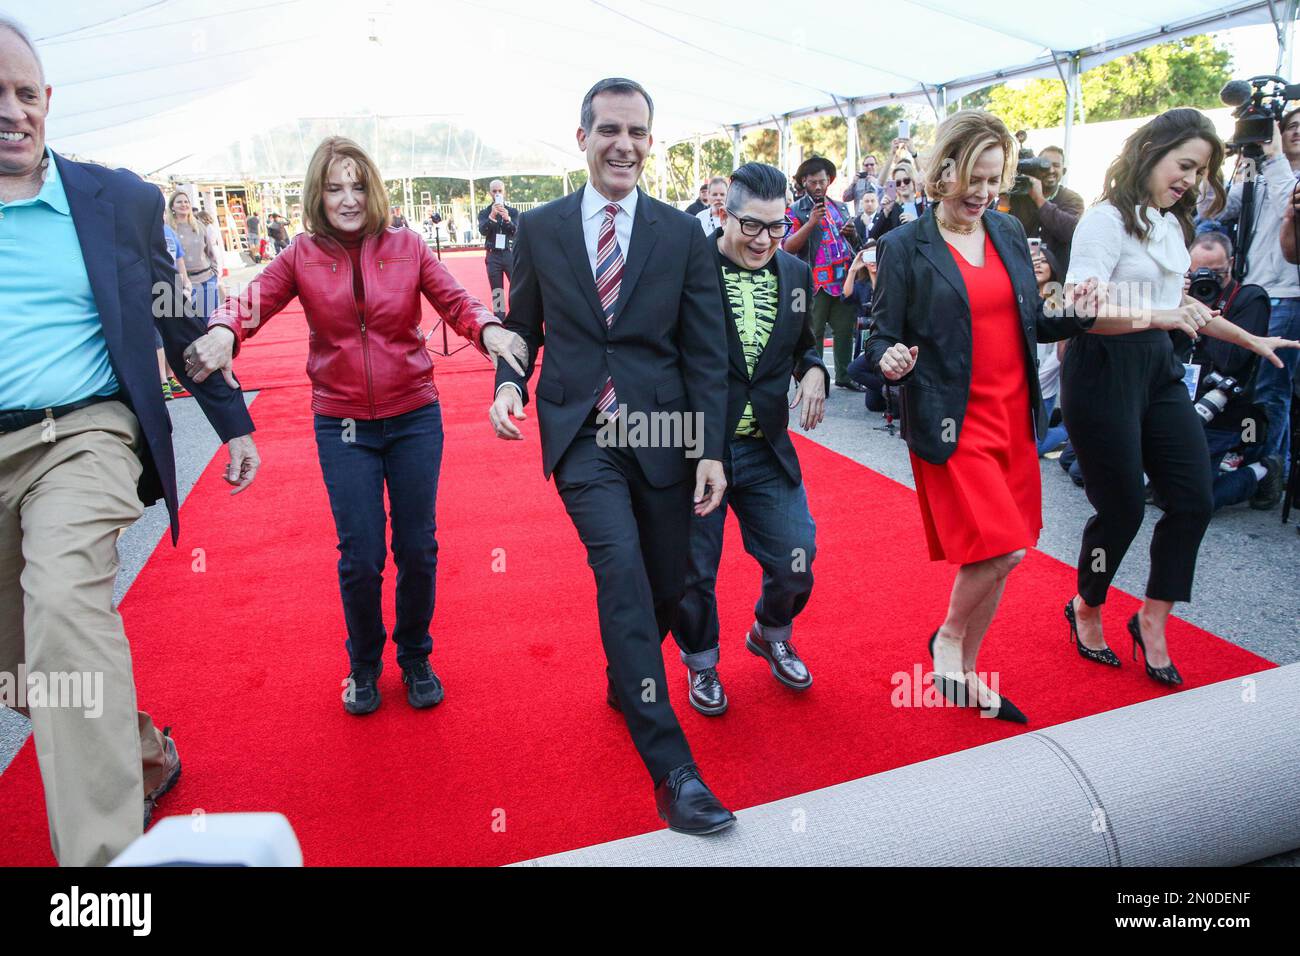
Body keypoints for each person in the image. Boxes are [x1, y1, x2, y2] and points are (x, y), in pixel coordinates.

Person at [0, 16, 259, 866]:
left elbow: (174, 312)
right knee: (21, 668)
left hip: (82, 435)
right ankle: (142, 748)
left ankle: (106, 874)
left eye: (25, 93)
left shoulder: (114, 201)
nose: (12, 111)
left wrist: (232, 420)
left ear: (48, 103)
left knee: (68, 621)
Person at [188, 136, 524, 717]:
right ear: (318, 194)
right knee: (361, 554)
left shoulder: (409, 246)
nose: (347, 198)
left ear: (374, 189)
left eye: (357, 185)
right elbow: (251, 300)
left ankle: (415, 654)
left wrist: (490, 331)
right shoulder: (301, 254)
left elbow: (457, 302)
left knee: (418, 547)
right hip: (342, 424)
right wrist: (224, 332)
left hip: (415, 416)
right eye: (334, 187)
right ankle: (364, 662)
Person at [487, 77, 735, 835]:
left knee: (673, 582)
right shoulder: (542, 227)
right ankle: (674, 773)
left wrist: (709, 450)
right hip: (583, 432)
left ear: (650, 142)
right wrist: (507, 383)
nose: (623, 144)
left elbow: (706, 351)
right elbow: (521, 323)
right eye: (609, 130)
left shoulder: (680, 233)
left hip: (662, 434)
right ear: (583, 137)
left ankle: (624, 673)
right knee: (621, 573)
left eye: (637, 132)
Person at [863, 109, 1102, 724]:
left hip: (1016, 416)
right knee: (1002, 548)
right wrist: (889, 359)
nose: (986, 193)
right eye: (975, 177)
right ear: (944, 170)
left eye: (996, 180)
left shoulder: (1007, 232)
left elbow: (1031, 322)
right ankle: (945, 639)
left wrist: (1077, 312)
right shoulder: (902, 246)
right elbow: (878, 336)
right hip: (953, 420)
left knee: (1006, 552)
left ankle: (968, 674)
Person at [1059, 108, 1298, 685]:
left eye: (1201, 171)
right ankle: (1087, 604)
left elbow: (1186, 312)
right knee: (1122, 510)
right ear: (1150, 151)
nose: (1191, 179)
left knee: (1194, 499)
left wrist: (1248, 336)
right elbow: (1082, 312)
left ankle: (1153, 617)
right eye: (1184, 164)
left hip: (1157, 370)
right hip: (1101, 372)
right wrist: (1160, 314)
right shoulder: (1104, 220)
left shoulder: (1171, 225)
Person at [673, 162, 827, 715]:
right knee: (694, 570)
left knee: (797, 557)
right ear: (723, 213)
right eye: (751, 225)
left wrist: (815, 369)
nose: (764, 239)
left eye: (776, 225)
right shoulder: (688, 270)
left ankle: (770, 630)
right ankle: (702, 664)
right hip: (695, 451)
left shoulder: (795, 272)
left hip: (765, 448)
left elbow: (805, 343)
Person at [1221, 112, 1300, 479]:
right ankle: (1259, 461)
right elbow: (1222, 207)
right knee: (1247, 381)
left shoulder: (1285, 175)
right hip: (1251, 288)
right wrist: (1220, 168)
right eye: (1291, 125)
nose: (1296, 131)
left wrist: (1275, 157)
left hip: (1288, 292)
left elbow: (1291, 206)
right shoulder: (1262, 172)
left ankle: (1266, 470)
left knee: (1273, 385)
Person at [1181, 231, 1282, 510]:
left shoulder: (1250, 298)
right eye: (1198, 272)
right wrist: (1181, 297)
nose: (1207, 280)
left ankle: (1260, 472)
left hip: (1221, 413)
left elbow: (1231, 359)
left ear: (1233, 263)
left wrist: (1204, 310)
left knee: (1191, 503)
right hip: (1179, 404)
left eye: (1215, 272)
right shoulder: (1181, 297)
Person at [782, 155, 861, 391]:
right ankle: (815, 381)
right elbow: (787, 247)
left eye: (822, 181)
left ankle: (845, 377)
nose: (818, 186)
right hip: (815, 283)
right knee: (813, 334)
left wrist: (852, 233)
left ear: (829, 182)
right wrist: (810, 223)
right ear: (804, 182)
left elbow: (856, 243)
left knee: (845, 331)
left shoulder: (840, 207)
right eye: (813, 181)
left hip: (843, 280)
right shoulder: (796, 210)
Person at [1007, 145, 1085, 271]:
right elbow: (1003, 229)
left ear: (1063, 171)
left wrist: (1039, 199)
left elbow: (1072, 231)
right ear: (1036, 169)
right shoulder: (1020, 196)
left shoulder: (1072, 199)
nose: (1051, 170)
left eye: (1056, 165)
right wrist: (1005, 198)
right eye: (1045, 165)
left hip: (1056, 277)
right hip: (1021, 271)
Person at [1032, 245, 1069, 455]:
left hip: (1042, 386)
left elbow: (1057, 357)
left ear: (1053, 268)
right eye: (1034, 262)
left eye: (1043, 262)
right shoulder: (1020, 294)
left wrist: (1039, 384)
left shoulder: (1058, 301)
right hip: (1018, 383)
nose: (1038, 266)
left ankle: (1067, 430)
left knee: (1033, 447)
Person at [168, 190, 220, 320]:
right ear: (172, 206)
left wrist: (215, 271)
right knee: (193, 323)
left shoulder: (199, 225)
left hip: (207, 279)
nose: (183, 204)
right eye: (179, 202)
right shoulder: (168, 229)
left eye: (186, 202)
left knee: (209, 320)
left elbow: (210, 251)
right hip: (184, 284)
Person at [159, 208, 191, 400]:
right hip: (154, 287)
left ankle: (170, 376)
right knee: (156, 338)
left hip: (173, 286)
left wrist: (185, 282)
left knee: (170, 333)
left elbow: (179, 260)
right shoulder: (143, 229)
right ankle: (162, 380)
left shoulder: (169, 232)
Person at [477, 179, 519, 319]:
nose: (497, 194)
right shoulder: (484, 213)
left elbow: (516, 233)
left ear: (504, 192)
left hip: (509, 254)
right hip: (493, 255)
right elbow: (483, 231)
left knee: (516, 288)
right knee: (497, 292)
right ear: (490, 193)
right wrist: (492, 216)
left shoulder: (512, 212)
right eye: (494, 191)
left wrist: (507, 219)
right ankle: (500, 319)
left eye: (499, 191)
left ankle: (516, 318)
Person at [868, 160, 927, 242]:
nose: (902, 185)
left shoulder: (923, 204)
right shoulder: (893, 208)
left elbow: (933, 233)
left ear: (913, 181)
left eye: (906, 181)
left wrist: (916, 221)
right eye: (898, 183)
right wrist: (886, 211)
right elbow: (874, 235)